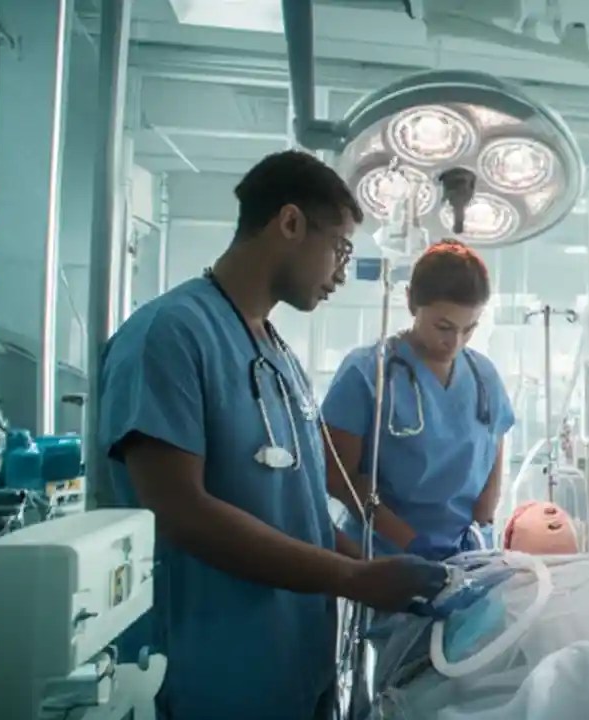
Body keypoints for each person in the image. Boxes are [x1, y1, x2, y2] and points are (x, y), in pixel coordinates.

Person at [97, 151, 449, 720]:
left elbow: (299, 512)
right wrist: (356, 577)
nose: (340, 271)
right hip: (209, 674)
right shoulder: (170, 334)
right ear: (289, 223)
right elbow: (179, 510)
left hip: (295, 666)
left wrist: (385, 571)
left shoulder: (277, 354)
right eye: (339, 247)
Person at [322, 239, 516, 560]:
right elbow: (339, 478)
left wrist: (481, 530)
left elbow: (494, 462)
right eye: (444, 327)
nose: (455, 342)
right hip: (384, 553)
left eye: (469, 329)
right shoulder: (369, 372)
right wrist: (410, 542)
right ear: (413, 303)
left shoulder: (484, 377)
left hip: (465, 551)